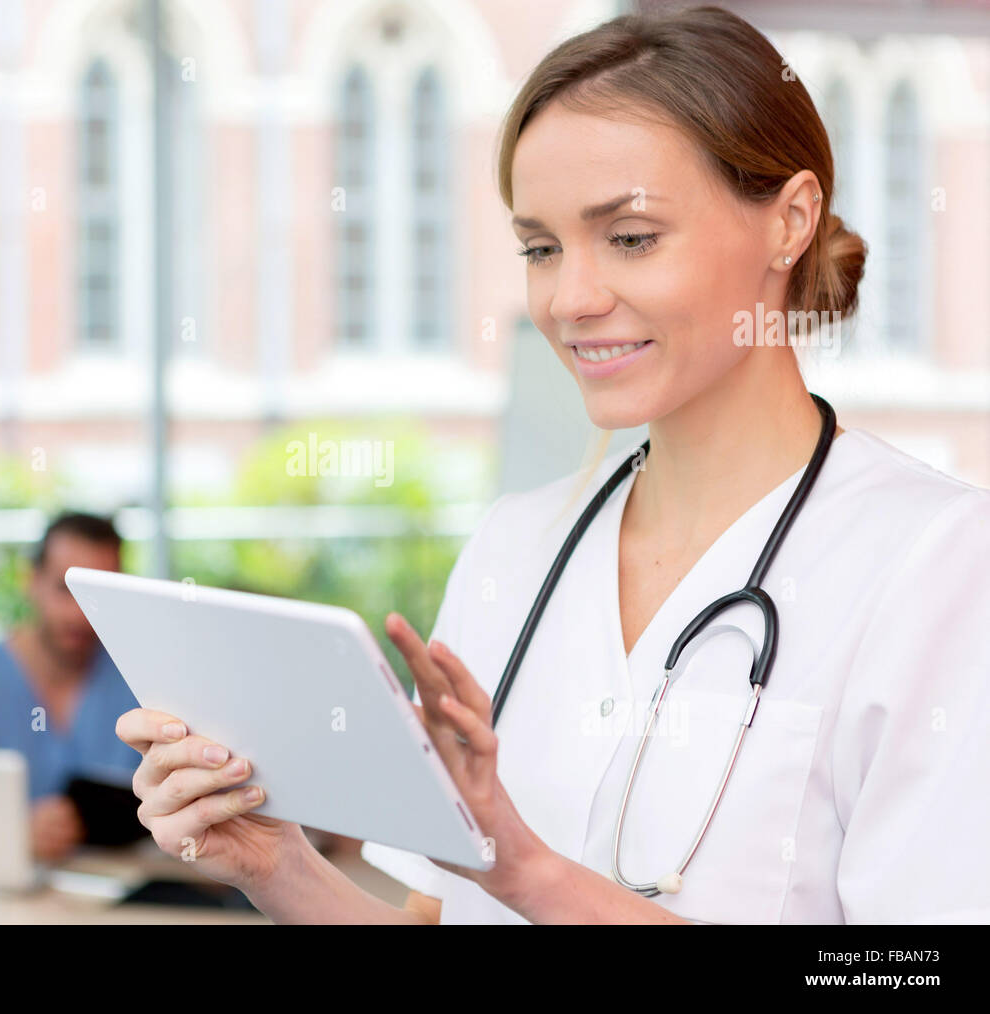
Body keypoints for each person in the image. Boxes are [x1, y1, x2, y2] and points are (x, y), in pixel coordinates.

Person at [112, 5, 990, 924]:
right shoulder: (514, 550)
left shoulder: (936, 563)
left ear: (790, 221)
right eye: (540, 248)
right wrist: (275, 867)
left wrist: (532, 875)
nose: (571, 298)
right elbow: (437, 919)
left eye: (632, 237)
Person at [0, 512, 144, 864]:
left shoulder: (140, 687)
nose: (80, 614)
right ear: (30, 580)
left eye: (98, 595)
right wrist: (7, 836)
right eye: (64, 590)